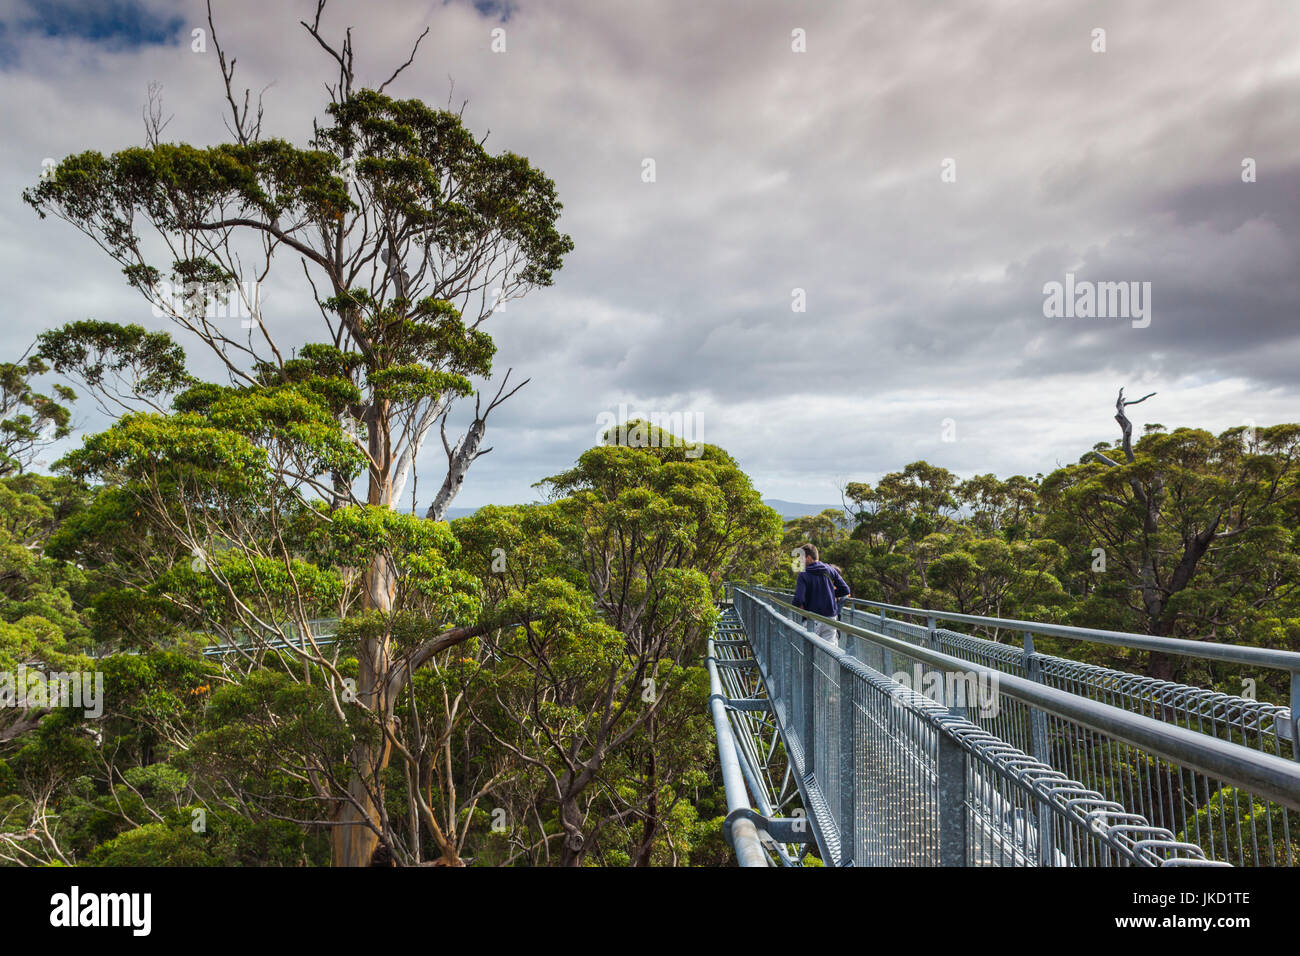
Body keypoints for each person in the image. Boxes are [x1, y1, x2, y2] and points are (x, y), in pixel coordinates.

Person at [791, 543, 851, 646]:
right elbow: (845, 590)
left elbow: (798, 599)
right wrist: (830, 593)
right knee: (830, 651)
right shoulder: (830, 569)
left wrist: (799, 607)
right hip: (830, 619)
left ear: (809, 557)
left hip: (812, 619)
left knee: (809, 651)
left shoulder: (804, 574)